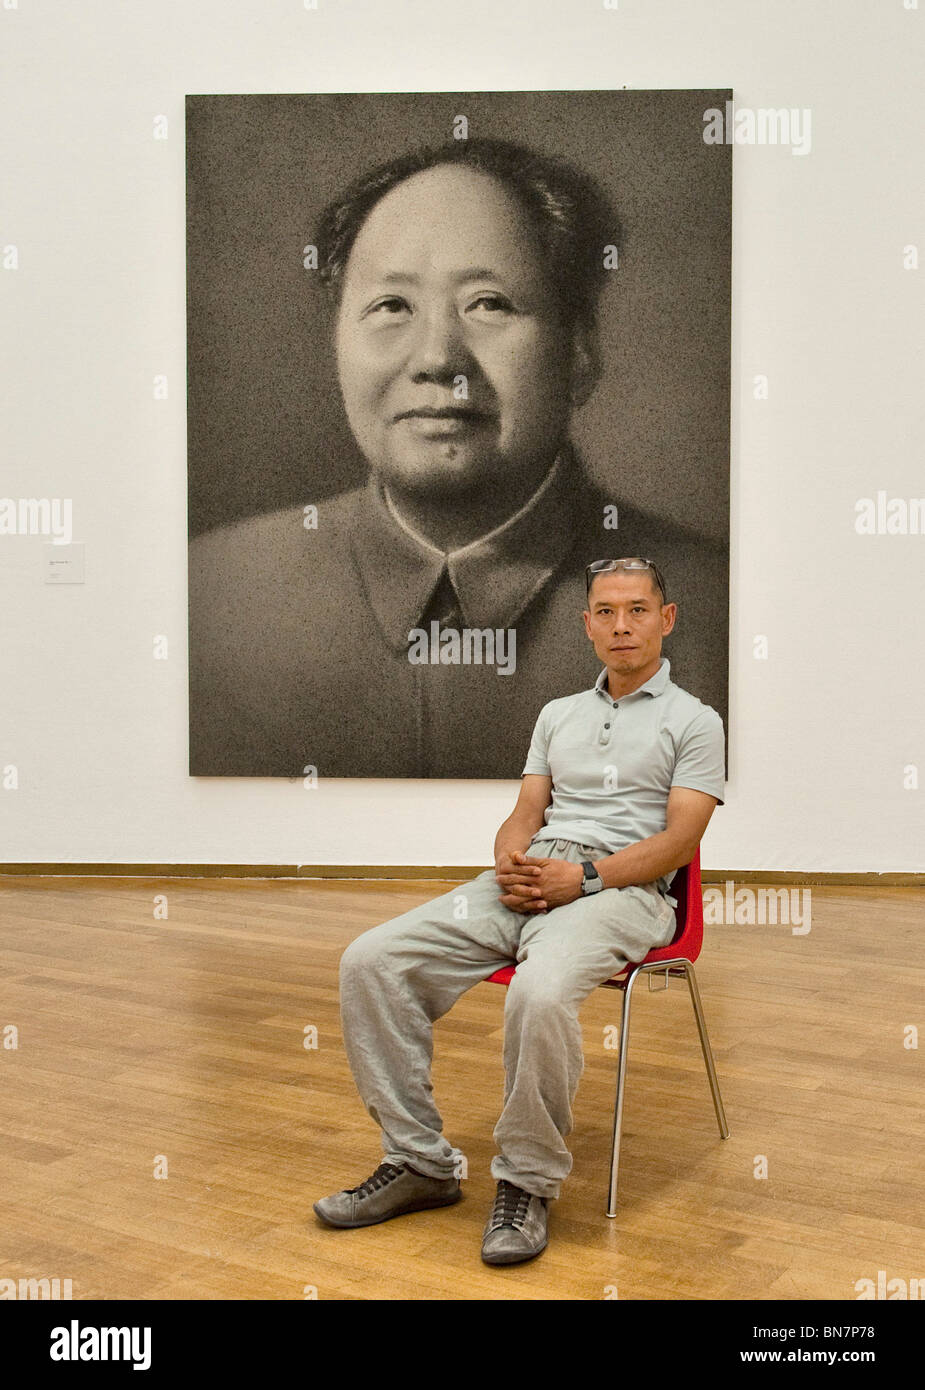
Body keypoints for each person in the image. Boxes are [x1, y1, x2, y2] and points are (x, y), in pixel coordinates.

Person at [187, 137, 728, 778]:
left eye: (488, 304)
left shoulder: (715, 617)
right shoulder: (212, 595)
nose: (439, 359)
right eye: (392, 306)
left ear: (580, 352)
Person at [313, 558, 725, 1264]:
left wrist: (584, 878)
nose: (620, 625)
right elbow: (524, 812)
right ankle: (419, 1163)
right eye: (604, 611)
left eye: (635, 609)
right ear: (586, 622)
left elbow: (679, 841)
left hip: (621, 893)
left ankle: (526, 1183)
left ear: (666, 618)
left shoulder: (695, 722)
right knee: (371, 960)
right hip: (531, 878)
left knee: (536, 994)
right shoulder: (557, 714)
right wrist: (510, 860)